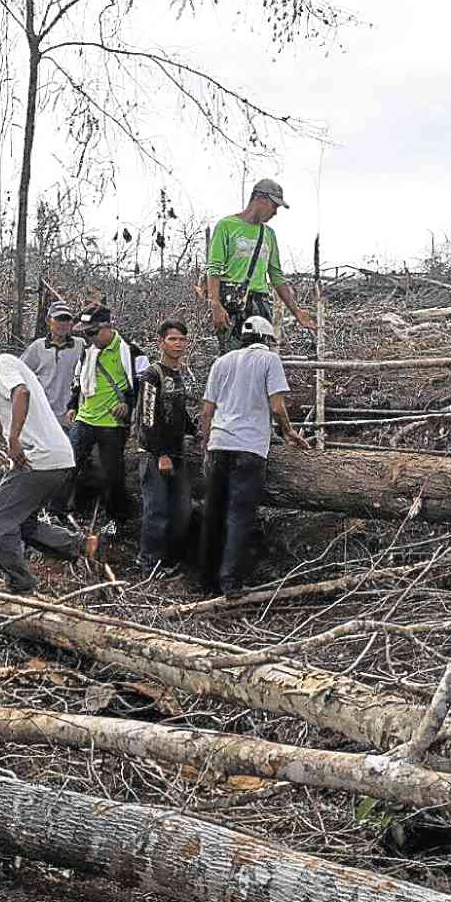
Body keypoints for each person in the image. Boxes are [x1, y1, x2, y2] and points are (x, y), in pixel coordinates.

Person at [0, 330, 97, 594]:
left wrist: (14, 439)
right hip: (55, 459)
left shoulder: (3, 363)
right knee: (21, 522)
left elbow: (22, 393)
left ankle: (20, 585)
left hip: (40, 459)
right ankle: (80, 545)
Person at [197, 317, 308, 595]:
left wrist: (206, 445)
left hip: (219, 445)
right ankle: (231, 583)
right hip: (249, 448)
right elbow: (277, 406)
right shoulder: (269, 360)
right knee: (239, 516)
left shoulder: (222, 361)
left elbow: (207, 411)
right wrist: (289, 432)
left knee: (213, 513)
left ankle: (205, 581)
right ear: (267, 339)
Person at [204, 179, 316, 352]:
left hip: (260, 304)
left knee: (259, 356)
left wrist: (297, 312)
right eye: (274, 205)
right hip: (232, 303)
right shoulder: (226, 226)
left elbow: (276, 276)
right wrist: (215, 304)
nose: (275, 212)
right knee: (232, 357)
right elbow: (214, 268)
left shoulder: (268, 234)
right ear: (259, 198)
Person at [65, 305, 139, 526]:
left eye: (93, 332)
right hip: (84, 418)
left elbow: (144, 385)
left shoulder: (130, 351)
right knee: (67, 464)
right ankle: (61, 511)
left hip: (112, 423)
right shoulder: (88, 351)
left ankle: (116, 521)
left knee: (111, 475)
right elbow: (78, 380)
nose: (89, 337)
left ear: (108, 327)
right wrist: (72, 405)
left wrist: (128, 405)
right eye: (86, 333)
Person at [135, 320, 195, 573]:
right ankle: (148, 563)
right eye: (172, 339)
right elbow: (147, 418)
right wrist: (161, 454)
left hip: (178, 452)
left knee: (182, 510)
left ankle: (170, 562)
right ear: (161, 342)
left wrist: (196, 432)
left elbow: (178, 411)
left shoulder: (178, 375)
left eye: (182, 339)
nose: (178, 344)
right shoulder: (152, 375)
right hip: (153, 454)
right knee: (156, 510)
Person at [21, 301, 85, 418]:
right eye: (58, 319)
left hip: (71, 415)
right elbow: (21, 373)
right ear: (48, 321)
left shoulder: (80, 346)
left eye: (66, 320)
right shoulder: (37, 347)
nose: (63, 324)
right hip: (42, 414)